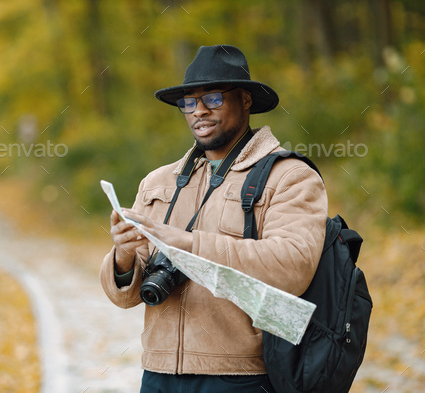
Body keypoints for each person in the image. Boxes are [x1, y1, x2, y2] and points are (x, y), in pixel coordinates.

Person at [100, 45, 328, 392]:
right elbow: (125, 298)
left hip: (241, 376)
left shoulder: (290, 176)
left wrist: (188, 244)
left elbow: (293, 266)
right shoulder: (157, 182)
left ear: (246, 100)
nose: (199, 111)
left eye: (214, 98)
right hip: (158, 373)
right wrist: (123, 256)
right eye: (188, 102)